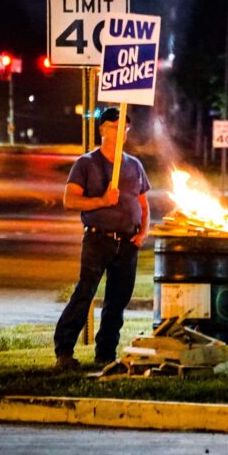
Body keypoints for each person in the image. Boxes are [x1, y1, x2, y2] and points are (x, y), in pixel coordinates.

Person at [53, 107, 151, 369]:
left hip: (128, 242)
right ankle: (64, 350)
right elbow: (69, 200)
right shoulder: (86, 163)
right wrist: (102, 201)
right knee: (85, 292)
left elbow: (142, 202)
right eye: (115, 127)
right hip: (98, 239)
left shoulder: (134, 165)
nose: (121, 132)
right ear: (102, 130)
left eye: (125, 128)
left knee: (117, 301)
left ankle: (106, 353)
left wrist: (143, 232)